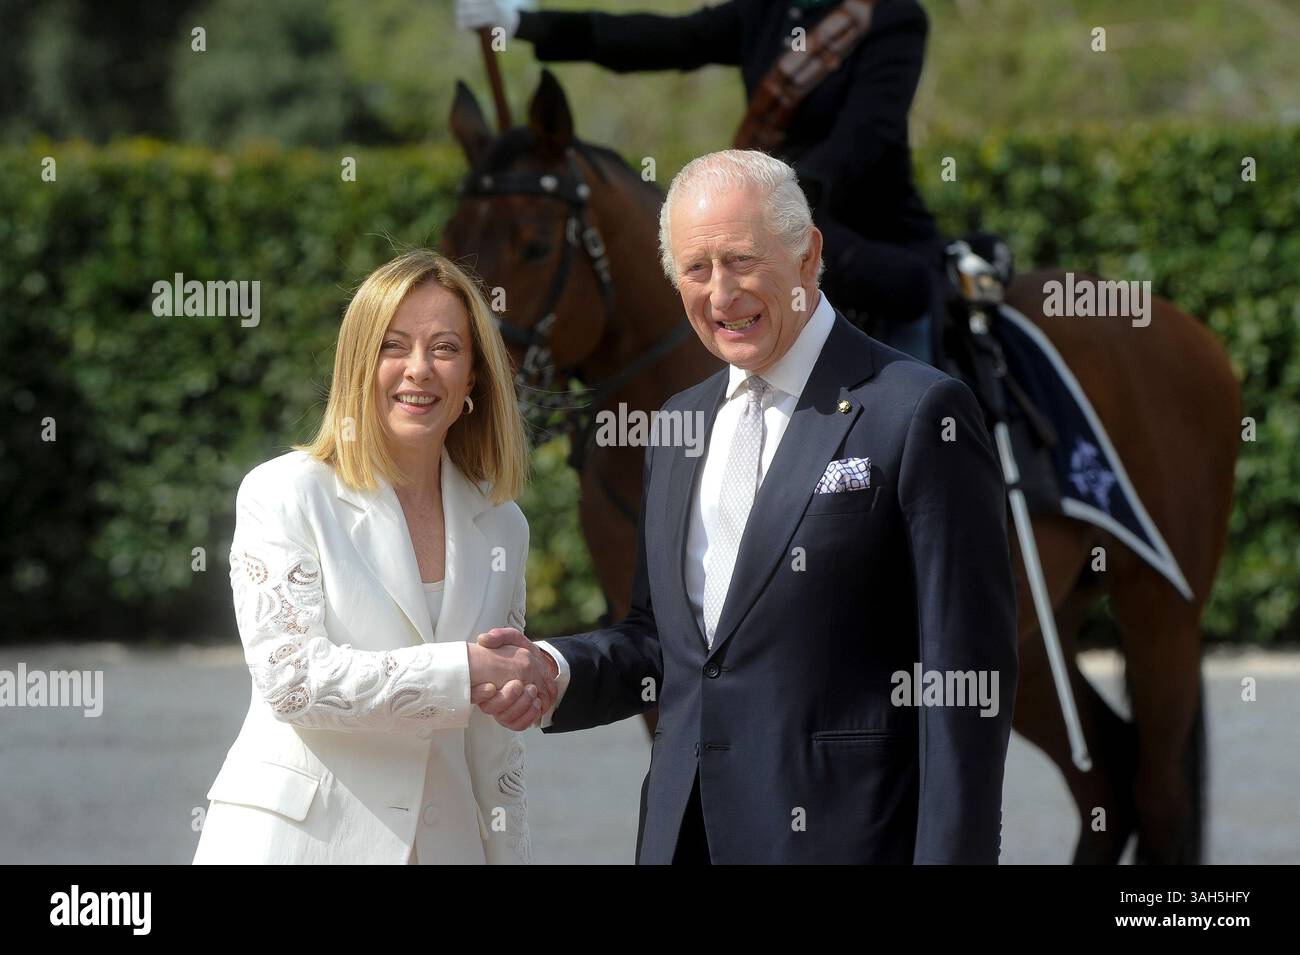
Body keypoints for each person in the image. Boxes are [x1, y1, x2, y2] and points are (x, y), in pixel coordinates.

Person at [475, 149, 1018, 864]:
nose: (721, 292)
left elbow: (964, 676)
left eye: (741, 259)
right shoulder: (677, 425)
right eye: (696, 269)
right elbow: (663, 645)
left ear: (807, 255)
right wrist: (555, 667)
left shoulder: (917, 412)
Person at [192, 250, 554, 864]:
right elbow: (293, 681)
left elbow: (494, 751)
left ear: (473, 378)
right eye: (393, 345)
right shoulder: (284, 492)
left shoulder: (503, 525)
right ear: (359, 364)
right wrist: (466, 672)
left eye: (445, 349)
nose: (419, 370)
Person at [455, 0, 946, 363]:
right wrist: (522, 23)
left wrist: (782, 197)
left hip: (866, 233)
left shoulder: (893, 16)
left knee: (908, 348)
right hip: (762, 223)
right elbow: (666, 39)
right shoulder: (765, 12)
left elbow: (869, 133)